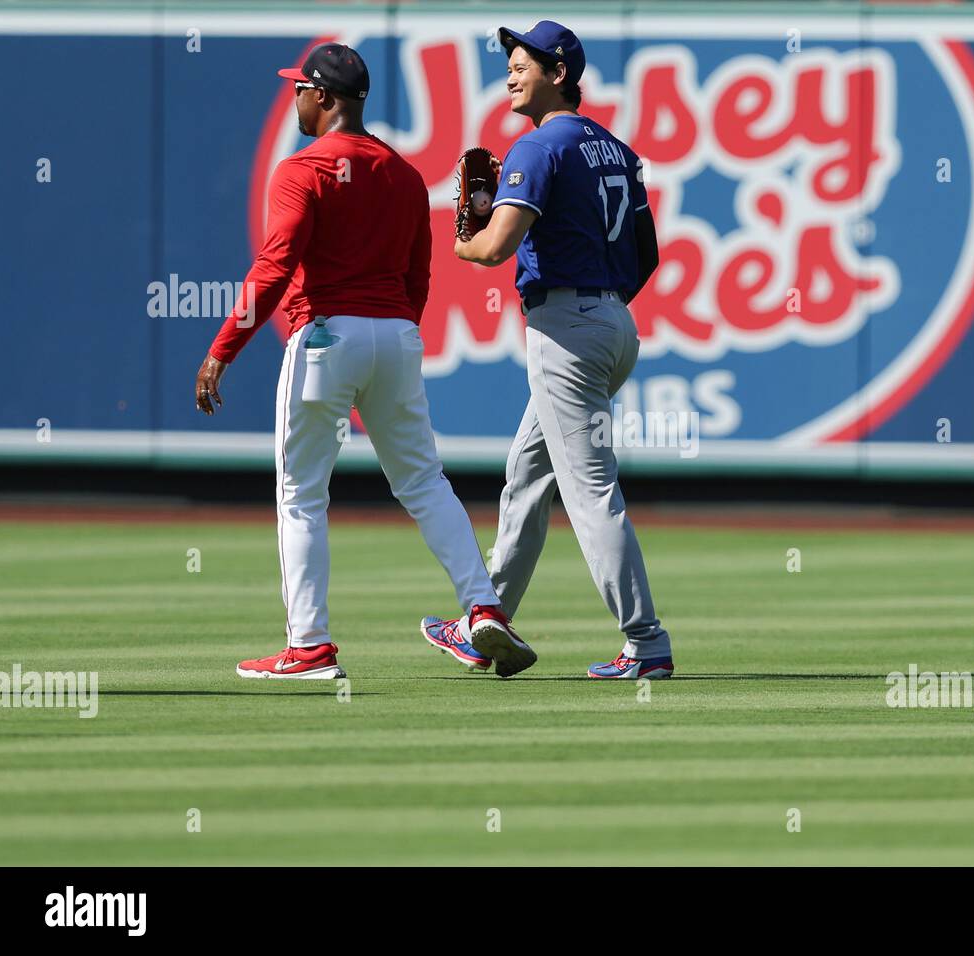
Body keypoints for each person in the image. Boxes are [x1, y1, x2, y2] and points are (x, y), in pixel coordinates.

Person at [194, 42, 535, 680]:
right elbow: (418, 276)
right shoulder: (404, 174)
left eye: (300, 87)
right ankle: (484, 606)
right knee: (426, 482)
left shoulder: (302, 170)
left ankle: (309, 646)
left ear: (323, 97)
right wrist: (397, 329)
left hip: (326, 337)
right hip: (396, 337)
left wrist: (224, 347)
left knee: (301, 494)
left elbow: (274, 267)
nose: (295, 95)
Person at [429, 21, 674, 680]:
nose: (510, 74)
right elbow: (647, 255)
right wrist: (604, 305)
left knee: (590, 493)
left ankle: (646, 641)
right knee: (528, 476)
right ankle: (488, 617)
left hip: (565, 330)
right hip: (613, 324)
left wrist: (463, 240)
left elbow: (495, 247)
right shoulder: (616, 149)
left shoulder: (538, 147)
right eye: (509, 64)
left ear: (558, 72)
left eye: (522, 63)